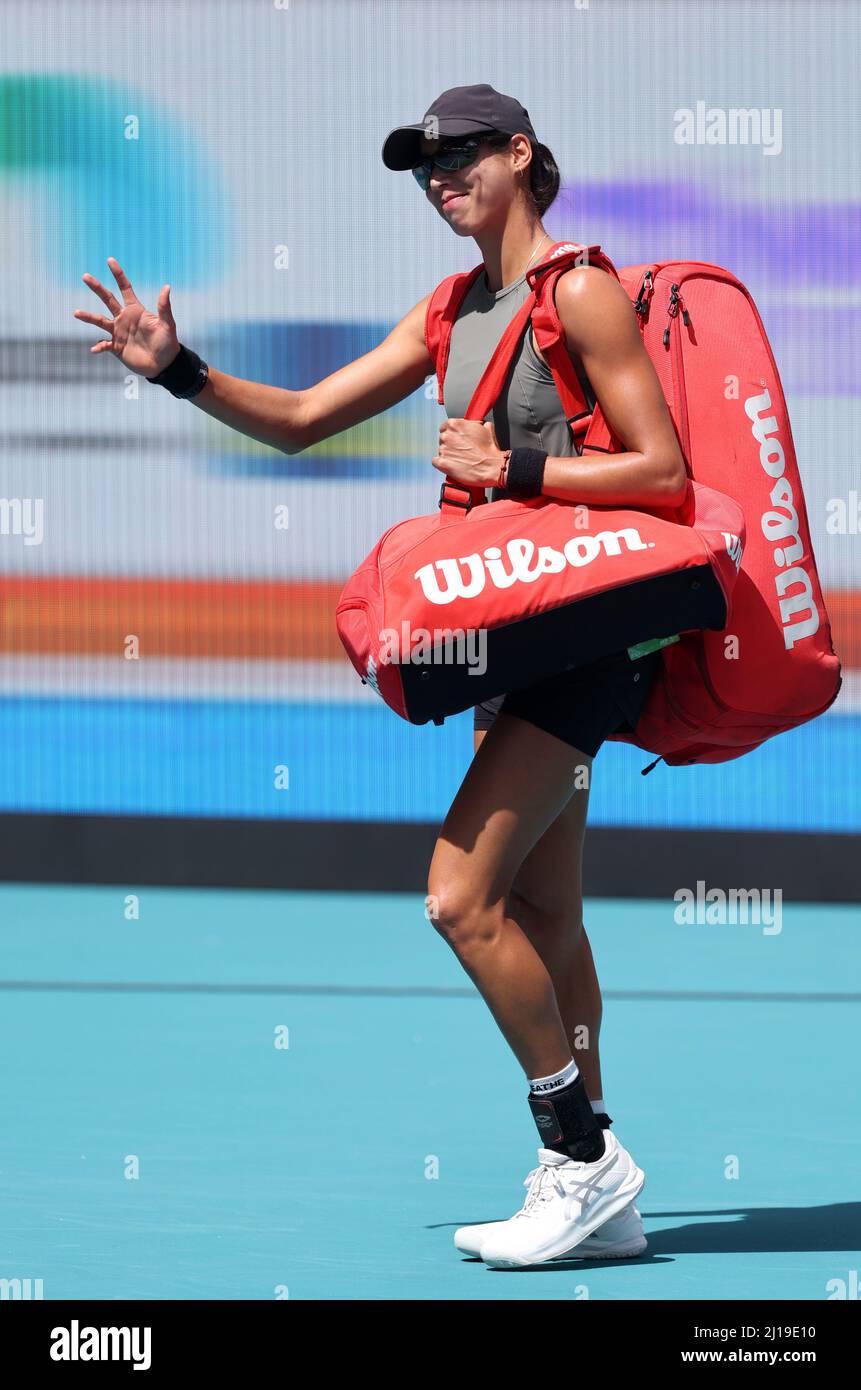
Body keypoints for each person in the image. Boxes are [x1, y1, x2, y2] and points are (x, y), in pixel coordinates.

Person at [73, 82, 687, 1270]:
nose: (438, 176)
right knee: (546, 914)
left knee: (458, 899)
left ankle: (580, 1156)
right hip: (510, 648)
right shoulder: (451, 308)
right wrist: (178, 370)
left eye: (459, 154)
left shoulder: (581, 291)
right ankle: (596, 1191)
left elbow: (660, 473)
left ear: (519, 154)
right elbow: (304, 416)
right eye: (422, 163)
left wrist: (513, 469)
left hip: (584, 643)